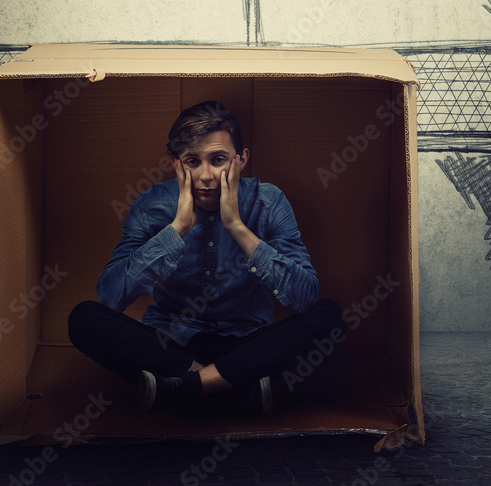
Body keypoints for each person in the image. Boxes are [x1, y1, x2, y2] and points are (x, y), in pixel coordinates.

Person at [68, 100, 346, 413]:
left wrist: (237, 227)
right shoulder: (150, 206)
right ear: (176, 163)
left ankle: (184, 388)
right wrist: (177, 229)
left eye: (218, 160)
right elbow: (109, 297)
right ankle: (232, 388)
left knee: (330, 316)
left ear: (241, 160)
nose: (206, 176)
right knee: (84, 318)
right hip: (171, 343)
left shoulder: (269, 203)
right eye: (192, 162)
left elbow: (305, 298)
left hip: (247, 342)